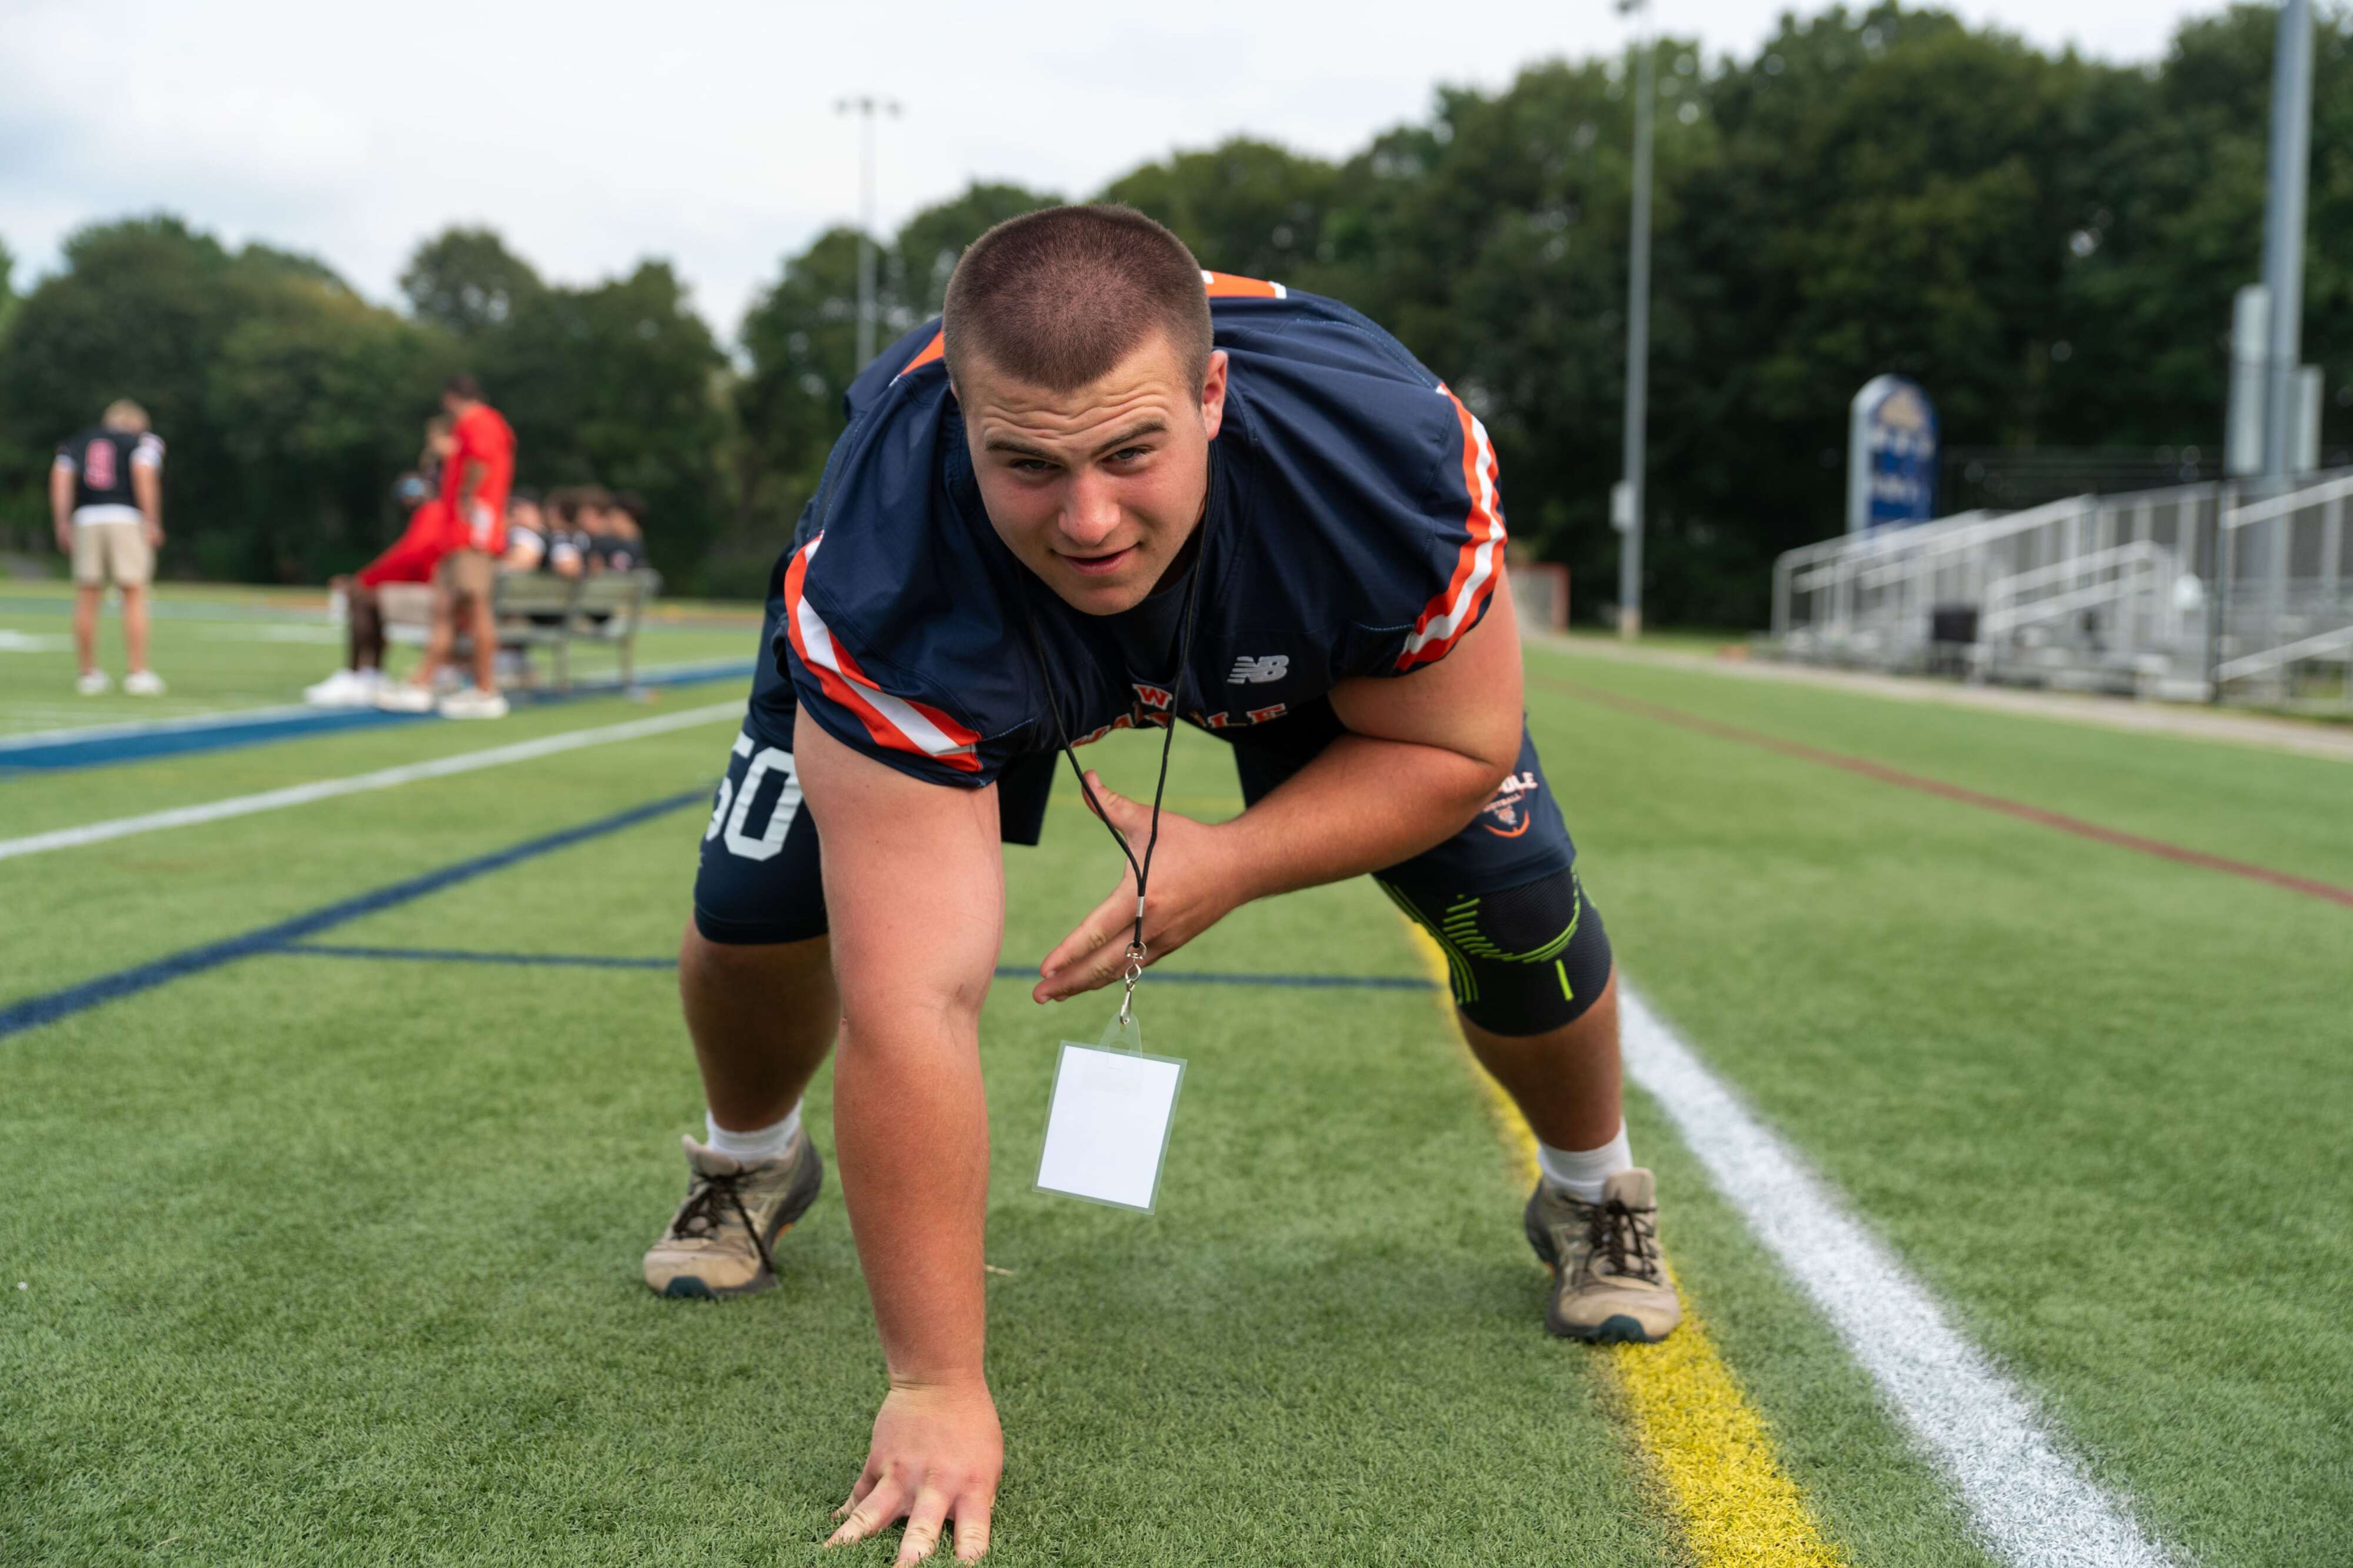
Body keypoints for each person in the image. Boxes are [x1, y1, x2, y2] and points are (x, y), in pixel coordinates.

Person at [645, 206, 1677, 1562]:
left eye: (1132, 450)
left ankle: (1593, 1189)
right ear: (959, 423)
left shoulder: (1379, 459)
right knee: (758, 908)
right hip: (977, 630)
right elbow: (915, 1002)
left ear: (1212, 393)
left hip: (1286, 623)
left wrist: (1230, 858)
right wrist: (934, 1379)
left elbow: (1457, 740)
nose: (1087, 517)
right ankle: (749, 1157)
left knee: (1512, 897)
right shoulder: (885, 552)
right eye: (1027, 460)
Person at [379, 374, 515, 720]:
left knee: (475, 606)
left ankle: (486, 690)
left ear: (450, 399)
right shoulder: (479, 425)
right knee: (446, 606)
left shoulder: (478, 421)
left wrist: (468, 495)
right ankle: (424, 682)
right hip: (460, 532)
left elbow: (480, 461)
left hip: (472, 530)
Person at [305, 420, 459, 706]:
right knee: (368, 593)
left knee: (363, 596)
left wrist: (364, 579)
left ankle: (360, 675)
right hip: (452, 599)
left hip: (445, 604)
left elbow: (412, 556)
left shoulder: (438, 510)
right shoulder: (456, 510)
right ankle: (369, 674)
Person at [51, 400, 167, 696]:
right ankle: (137, 672)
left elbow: (61, 479)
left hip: (87, 518)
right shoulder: (142, 442)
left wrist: (63, 522)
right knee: (134, 594)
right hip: (125, 518)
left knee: (88, 597)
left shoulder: (78, 441)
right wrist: (152, 519)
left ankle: (88, 673)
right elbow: (144, 474)